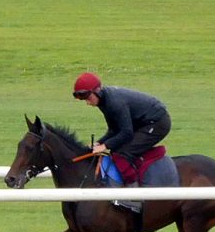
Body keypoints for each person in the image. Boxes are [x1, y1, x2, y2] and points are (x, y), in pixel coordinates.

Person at [73, 71, 172, 210]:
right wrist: (99, 143)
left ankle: (134, 195)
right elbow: (114, 130)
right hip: (143, 122)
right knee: (116, 148)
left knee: (122, 153)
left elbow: (126, 133)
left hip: (157, 122)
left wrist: (105, 146)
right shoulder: (103, 102)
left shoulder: (114, 103)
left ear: (97, 91)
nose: (87, 103)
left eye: (87, 98)